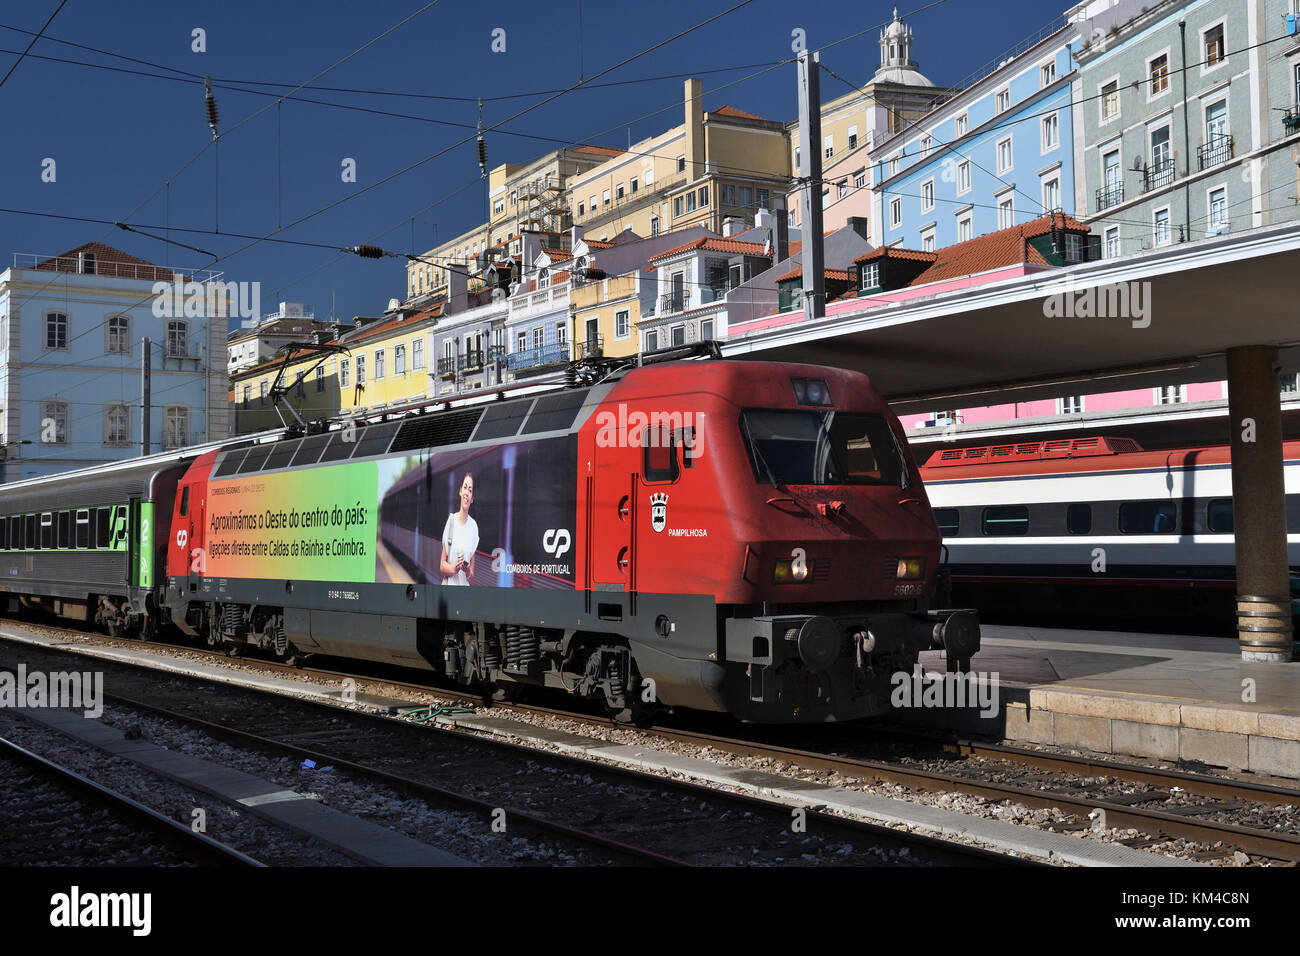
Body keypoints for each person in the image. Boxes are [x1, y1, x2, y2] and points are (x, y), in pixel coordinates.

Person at [439, 472, 479, 585]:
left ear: (472, 499)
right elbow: (442, 565)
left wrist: (466, 570)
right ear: (460, 491)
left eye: (470, 490)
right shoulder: (451, 521)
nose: (467, 492)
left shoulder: (474, 527)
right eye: (465, 488)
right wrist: (454, 569)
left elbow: (471, 578)